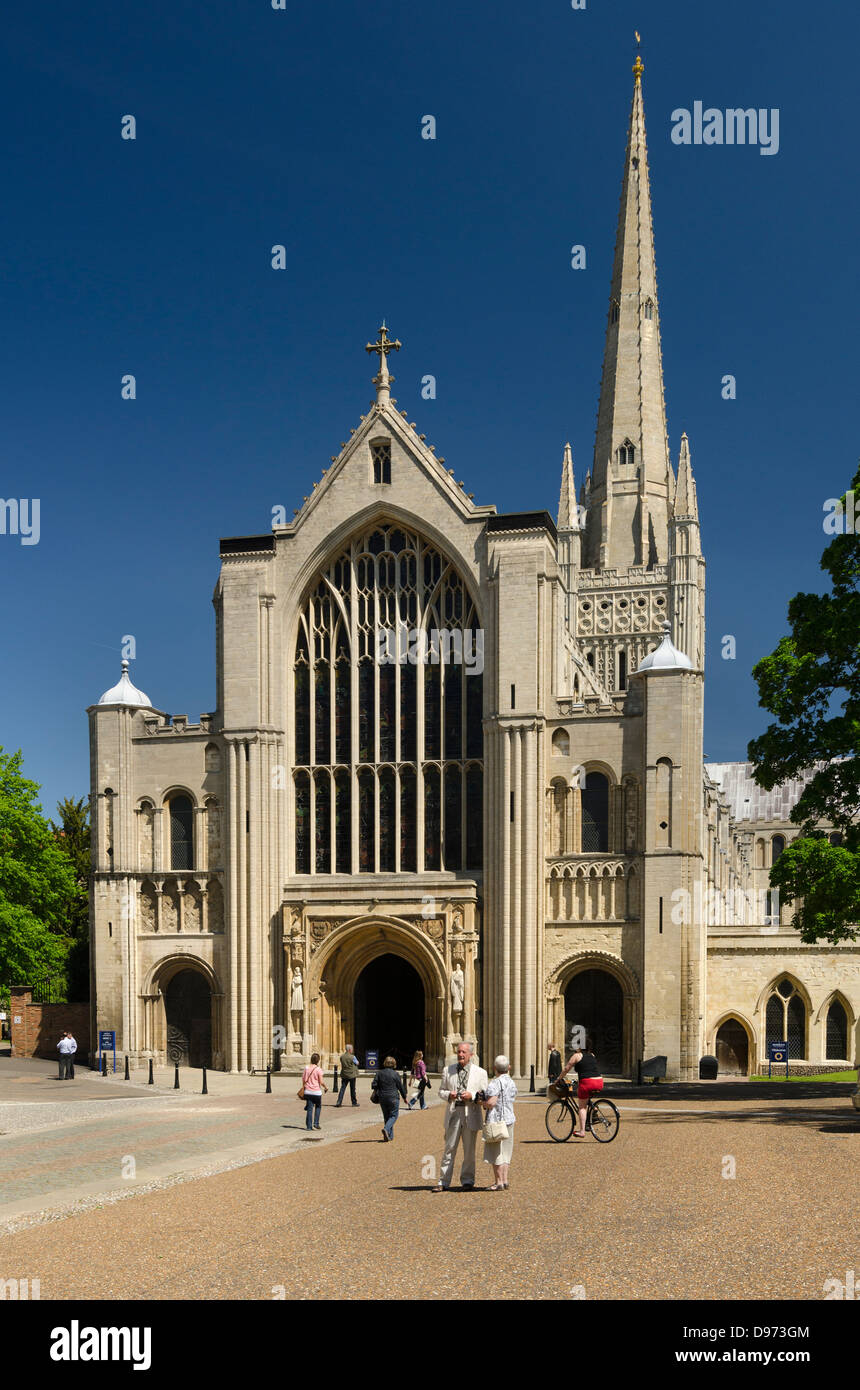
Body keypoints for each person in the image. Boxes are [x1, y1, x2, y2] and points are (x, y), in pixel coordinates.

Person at [433, 1041, 489, 1191]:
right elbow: (441, 1091)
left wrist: (472, 1095)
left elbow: (485, 1094)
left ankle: (468, 1181)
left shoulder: (481, 1073)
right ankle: (443, 1182)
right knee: (449, 1148)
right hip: (454, 1112)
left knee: (469, 1150)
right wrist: (448, 1095)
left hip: (470, 1112)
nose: (460, 1054)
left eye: (464, 1052)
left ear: (471, 1054)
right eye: (459, 1052)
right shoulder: (448, 1070)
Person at [482, 1054, 517, 1190]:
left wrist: (482, 1102)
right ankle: (505, 1180)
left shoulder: (495, 1083)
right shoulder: (512, 1082)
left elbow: (491, 1102)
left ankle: (499, 1182)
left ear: (495, 1068)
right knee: (507, 1151)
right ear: (509, 1068)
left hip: (496, 1121)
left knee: (496, 1151)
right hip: (509, 1118)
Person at [559, 1036, 603, 1137]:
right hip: (599, 1081)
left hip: (587, 1082)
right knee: (587, 1098)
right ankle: (594, 1110)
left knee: (582, 1107)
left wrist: (558, 1079)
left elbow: (566, 1069)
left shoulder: (576, 1056)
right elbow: (589, 1068)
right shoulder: (592, 1055)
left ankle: (582, 1131)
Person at [374, 1055, 407, 1141]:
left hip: (382, 1097)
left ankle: (389, 1136)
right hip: (393, 1097)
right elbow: (400, 1087)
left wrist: (379, 1087)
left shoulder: (379, 1073)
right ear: (393, 1064)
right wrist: (404, 1097)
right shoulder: (395, 1074)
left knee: (386, 1116)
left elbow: (373, 1085)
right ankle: (386, 1129)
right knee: (394, 1115)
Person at [301, 1052, 327, 1130]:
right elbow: (321, 1082)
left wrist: (304, 1087)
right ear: (318, 1061)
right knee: (318, 1107)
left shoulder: (306, 1068)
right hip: (316, 1092)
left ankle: (309, 1126)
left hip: (308, 1091)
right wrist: (325, 1087)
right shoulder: (319, 1069)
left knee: (310, 1109)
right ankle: (316, 1123)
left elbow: (303, 1080)